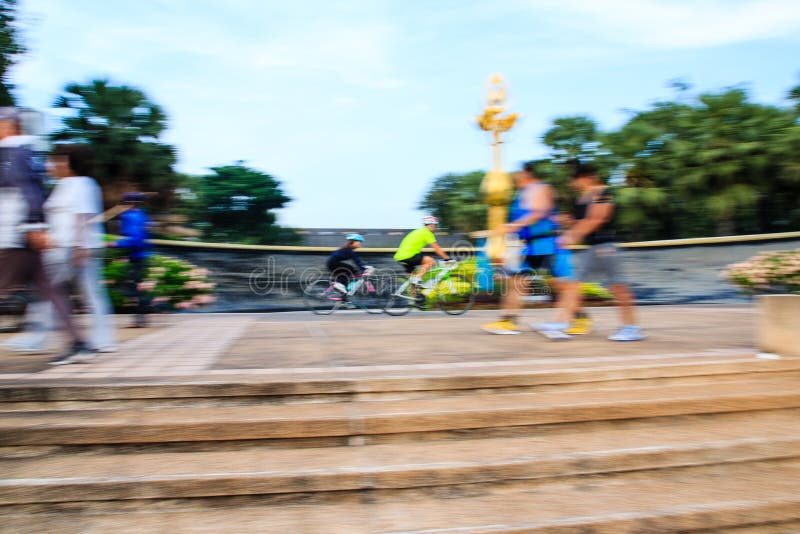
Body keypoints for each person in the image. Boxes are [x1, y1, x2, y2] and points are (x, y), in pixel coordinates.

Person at [0, 107, 93, 364]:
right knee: (51, 290)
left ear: (9, 125)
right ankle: (80, 343)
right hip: (25, 234)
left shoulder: (13, 152)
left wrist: (33, 226)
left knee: (47, 289)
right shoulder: (25, 152)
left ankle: (79, 344)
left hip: (16, 236)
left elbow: (28, 191)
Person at [4, 144, 117, 354]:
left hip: (78, 248)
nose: (55, 164)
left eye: (61, 160)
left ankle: (103, 339)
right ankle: (39, 336)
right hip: (59, 249)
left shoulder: (83, 184)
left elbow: (83, 217)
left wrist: (81, 248)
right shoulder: (63, 184)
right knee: (49, 292)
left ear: (73, 162)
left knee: (89, 294)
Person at [482, 161, 579, 335]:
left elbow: (540, 212)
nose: (514, 176)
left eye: (518, 173)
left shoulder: (540, 188)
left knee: (562, 284)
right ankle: (508, 321)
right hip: (530, 247)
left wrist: (513, 226)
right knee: (517, 282)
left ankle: (580, 318)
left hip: (547, 245)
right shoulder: (522, 193)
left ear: (527, 173)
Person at [559, 162, 645, 342]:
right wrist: (567, 223)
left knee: (619, 288)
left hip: (606, 247)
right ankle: (565, 322)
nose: (574, 184)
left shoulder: (603, 192)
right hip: (592, 248)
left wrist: (571, 236)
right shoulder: (581, 198)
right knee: (574, 284)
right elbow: (581, 222)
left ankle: (632, 328)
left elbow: (597, 219)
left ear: (586, 177)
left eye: (575, 180)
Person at [109, 192, 152, 328]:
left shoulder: (131, 217)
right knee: (134, 286)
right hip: (141, 255)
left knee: (128, 286)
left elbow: (135, 239)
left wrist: (116, 244)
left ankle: (148, 306)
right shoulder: (142, 215)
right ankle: (140, 319)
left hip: (137, 256)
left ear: (130, 204)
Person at [394, 216, 452, 285]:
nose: (436, 227)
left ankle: (413, 292)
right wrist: (447, 258)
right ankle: (418, 279)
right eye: (435, 225)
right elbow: (436, 248)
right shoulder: (427, 233)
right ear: (431, 225)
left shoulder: (420, 231)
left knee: (413, 283)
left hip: (401, 256)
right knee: (430, 261)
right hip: (409, 255)